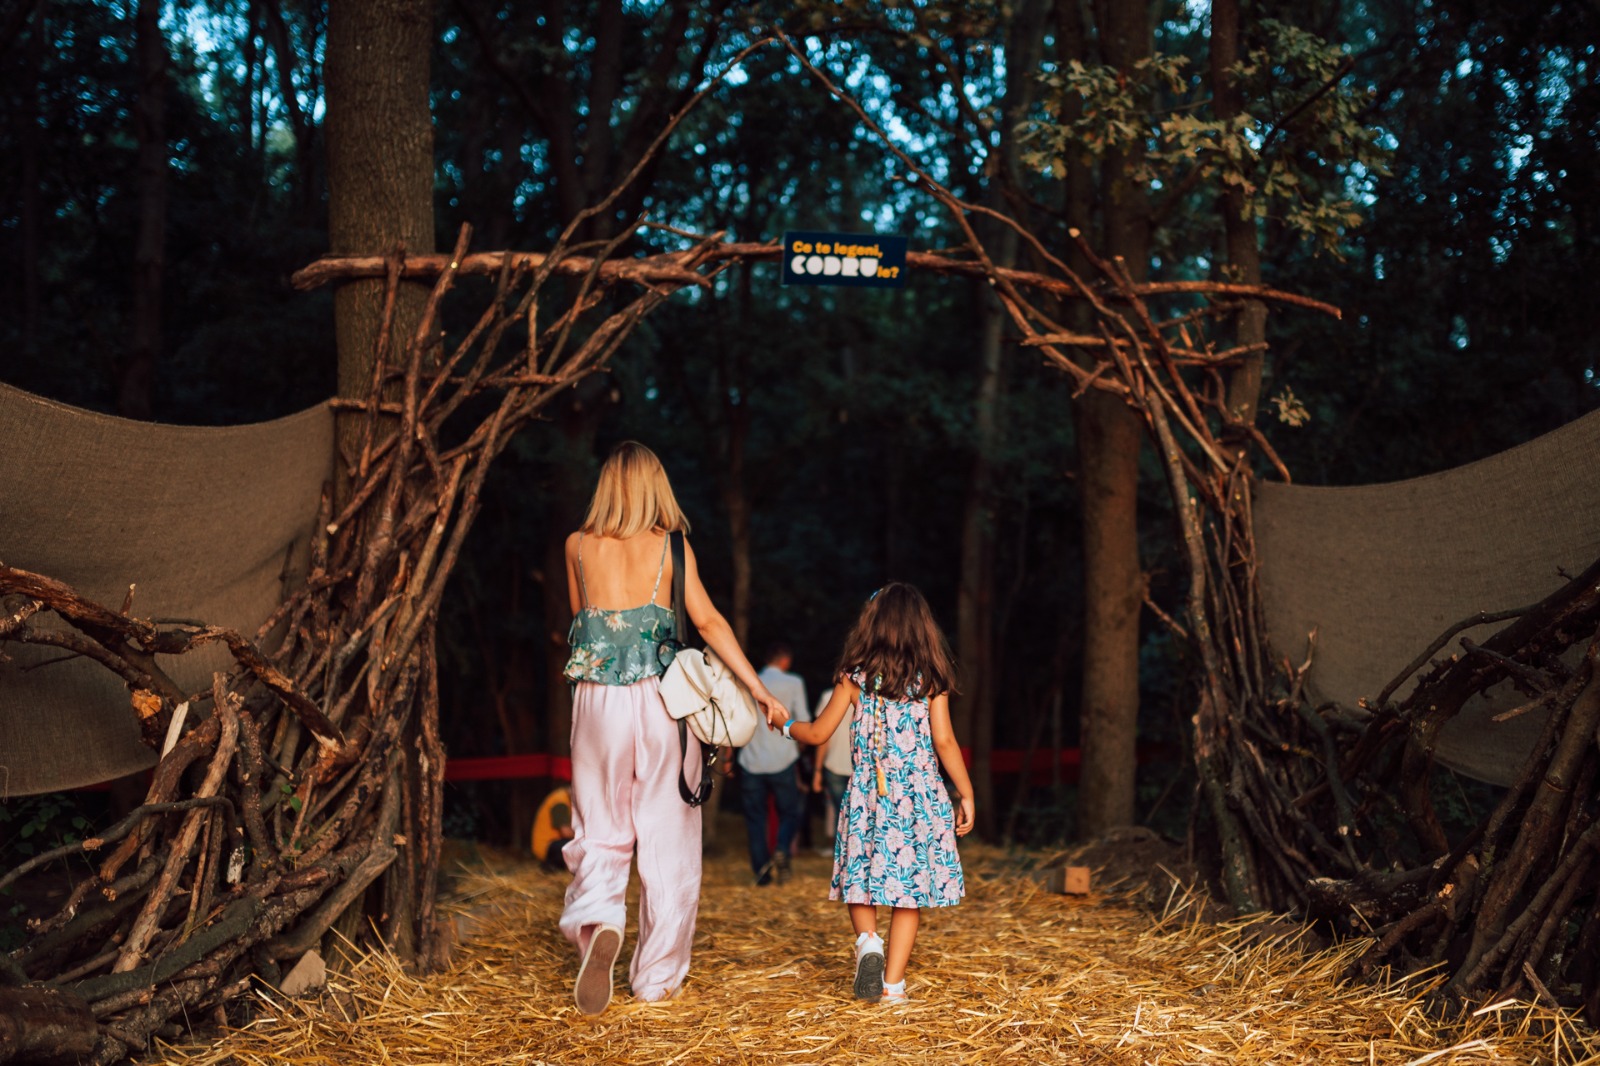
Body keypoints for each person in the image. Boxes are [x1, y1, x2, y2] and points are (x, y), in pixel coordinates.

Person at [560, 441, 787, 1015]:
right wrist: (758, 691)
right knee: (669, 839)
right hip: (664, 703)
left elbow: (579, 628)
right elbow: (707, 622)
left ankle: (601, 920)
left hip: (595, 705)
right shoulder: (672, 547)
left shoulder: (577, 546)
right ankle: (656, 978)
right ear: (655, 485)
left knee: (599, 828)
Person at [787, 582, 975, 1004]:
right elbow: (944, 742)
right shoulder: (931, 681)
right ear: (921, 627)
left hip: (869, 792)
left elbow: (818, 733)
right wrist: (966, 792)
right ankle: (893, 987)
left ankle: (867, 942)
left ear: (872, 625)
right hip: (919, 794)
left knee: (861, 880)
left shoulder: (854, 678)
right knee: (908, 896)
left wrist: (784, 725)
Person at [737, 643, 811, 884]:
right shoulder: (794, 682)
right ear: (784, 660)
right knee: (789, 811)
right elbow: (803, 719)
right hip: (783, 757)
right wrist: (800, 749)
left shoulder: (749, 681)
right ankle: (781, 847)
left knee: (755, 818)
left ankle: (762, 873)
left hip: (751, 758)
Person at [809, 684, 854, 842]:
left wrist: (817, 771)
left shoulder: (828, 696)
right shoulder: (875, 694)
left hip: (834, 764)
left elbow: (821, 736)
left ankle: (843, 857)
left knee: (841, 813)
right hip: (860, 767)